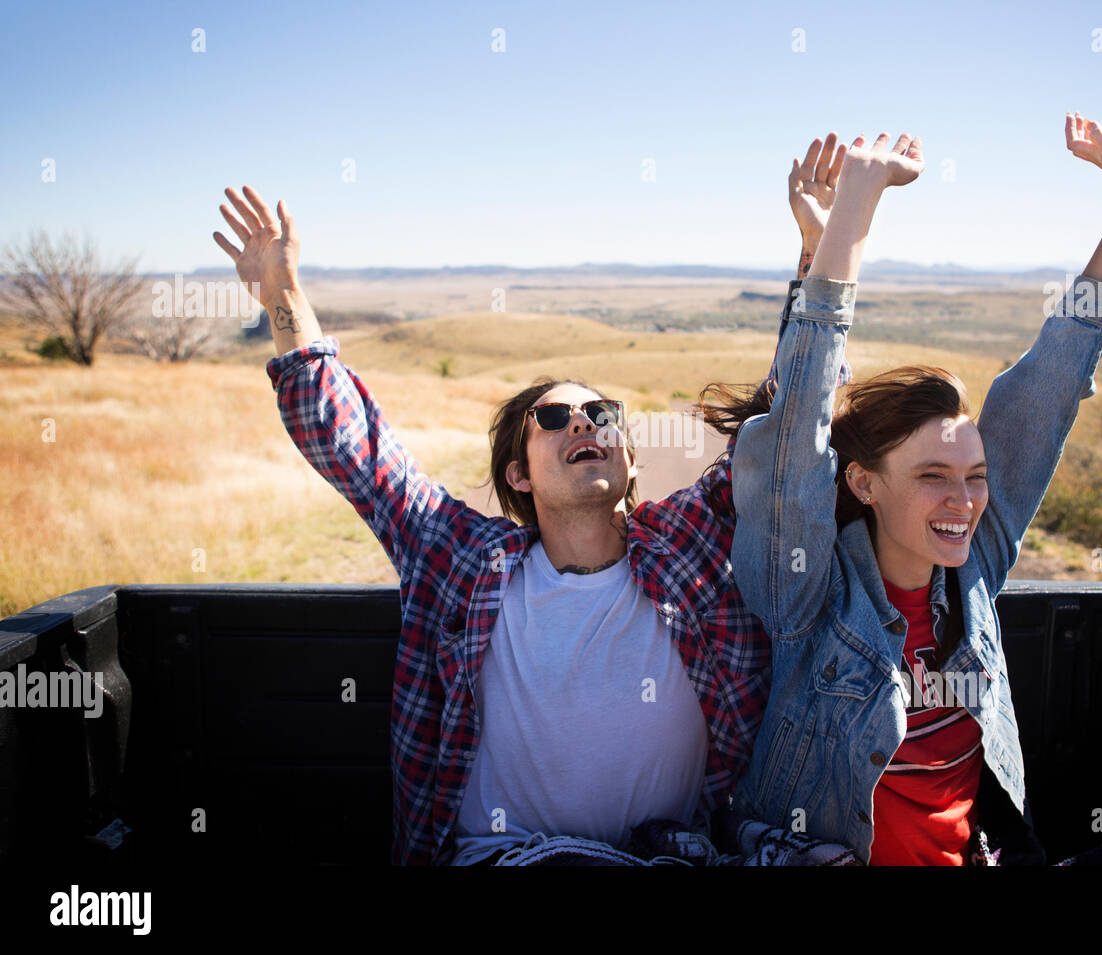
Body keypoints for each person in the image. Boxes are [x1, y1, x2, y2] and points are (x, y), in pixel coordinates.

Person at [209, 159, 859, 864]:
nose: (583, 423)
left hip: (670, 855)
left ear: (631, 459)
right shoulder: (459, 560)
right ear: (518, 472)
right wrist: (282, 294)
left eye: (601, 412)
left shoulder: (691, 544)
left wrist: (816, 251)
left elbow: (787, 431)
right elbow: (352, 445)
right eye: (555, 416)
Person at [703, 114, 1102, 864]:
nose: (965, 499)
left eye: (975, 477)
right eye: (931, 477)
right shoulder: (809, 595)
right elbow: (797, 426)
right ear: (864, 483)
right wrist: (850, 216)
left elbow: (1052, 379)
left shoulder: (973, 565)